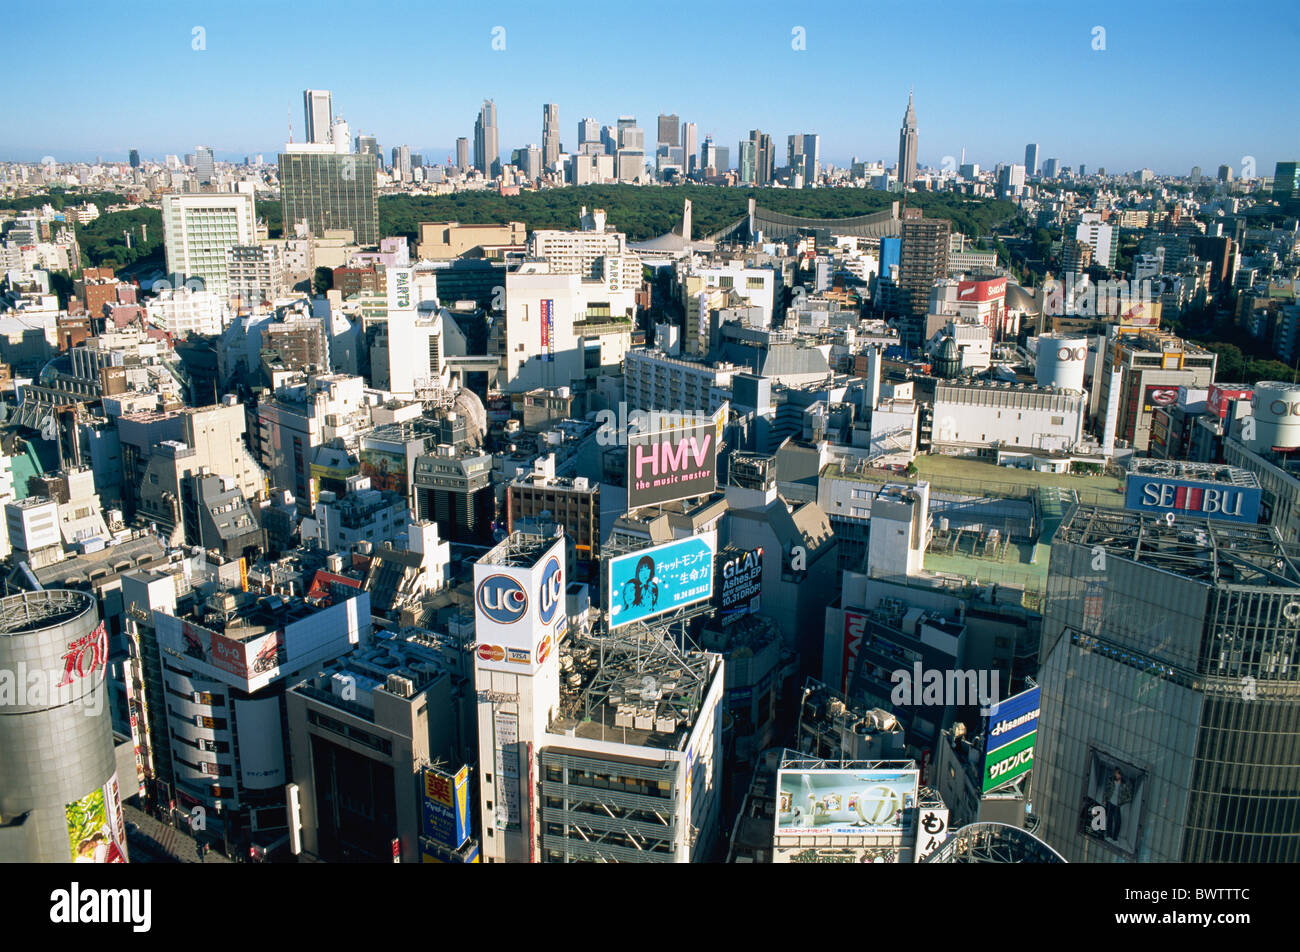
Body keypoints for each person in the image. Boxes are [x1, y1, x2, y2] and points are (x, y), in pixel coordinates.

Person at [1102, 766, 1132, 843]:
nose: (1116, 775)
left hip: (1117, 805)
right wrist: (1104, 800)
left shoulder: (1125, 783)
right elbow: (1106, 790)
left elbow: (1129, 796)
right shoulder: (1111, 779)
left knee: (1118, 822)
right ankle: (1109, 836)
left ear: (1120, 774)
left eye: (1117, 773)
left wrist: (1122, 802)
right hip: (1110, 802)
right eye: (1115, 773)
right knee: (1109, 819)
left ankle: (1115, 838)